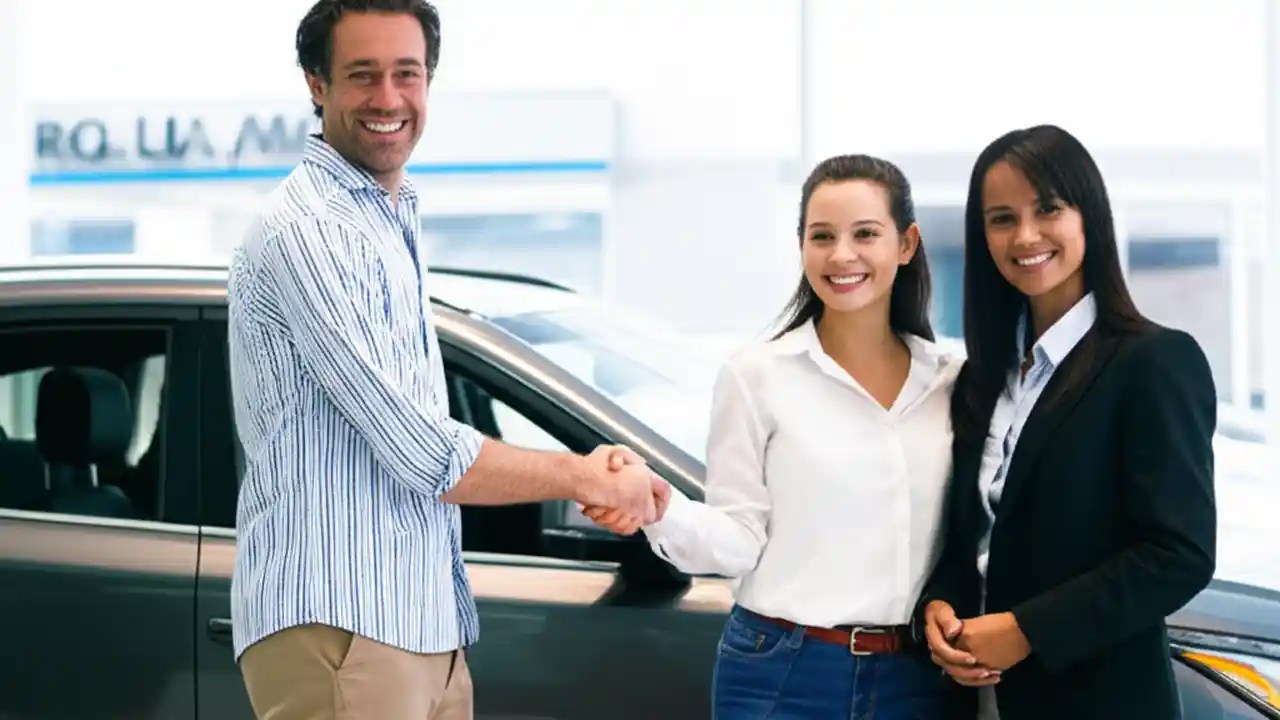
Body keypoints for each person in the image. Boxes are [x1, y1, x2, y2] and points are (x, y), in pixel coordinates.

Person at [225, 2, 666, 718]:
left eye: (409, 74)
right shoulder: (309, 231)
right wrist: (585, 474)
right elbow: (423, 450)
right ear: (316, 83)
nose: (390, 99)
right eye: (362, 75)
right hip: (346, 623)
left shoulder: (384, 218)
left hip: (418, 626)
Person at [586, 155, 964, 718]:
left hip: (917, 676)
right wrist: (659, 506)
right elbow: (739, 537)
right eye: (822, 236)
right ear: (802, 245)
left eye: (865, 234)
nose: (841, 255)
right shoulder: (756, 376)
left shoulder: (952, 381)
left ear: (906, 244)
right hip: (784, 670)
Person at [916, 125, 1216, 720]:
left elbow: (1178, 553)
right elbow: (971, 537)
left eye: (1047, 209)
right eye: (1001, 219)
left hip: (1098, 698)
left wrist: (1029, 629)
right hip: (972, 698)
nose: (1025, 236)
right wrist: (940, 603)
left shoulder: (1152, 361)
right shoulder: (983, 378)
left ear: (1089, 218)